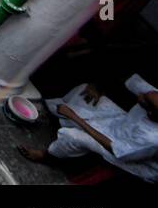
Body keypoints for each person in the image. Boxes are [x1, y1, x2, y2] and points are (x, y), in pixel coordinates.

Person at [19, 75, 158, 182]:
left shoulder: (152, 138)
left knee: (75, 136)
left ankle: (47, 156)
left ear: (152, 112)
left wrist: (75, 118)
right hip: (121, 124)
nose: (141, 95)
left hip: (127, 154)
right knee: (84, 92)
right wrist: (97, 88)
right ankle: (46, 110)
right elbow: (129, 79)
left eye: (144, 99)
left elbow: (117, 149)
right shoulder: (153, 98)